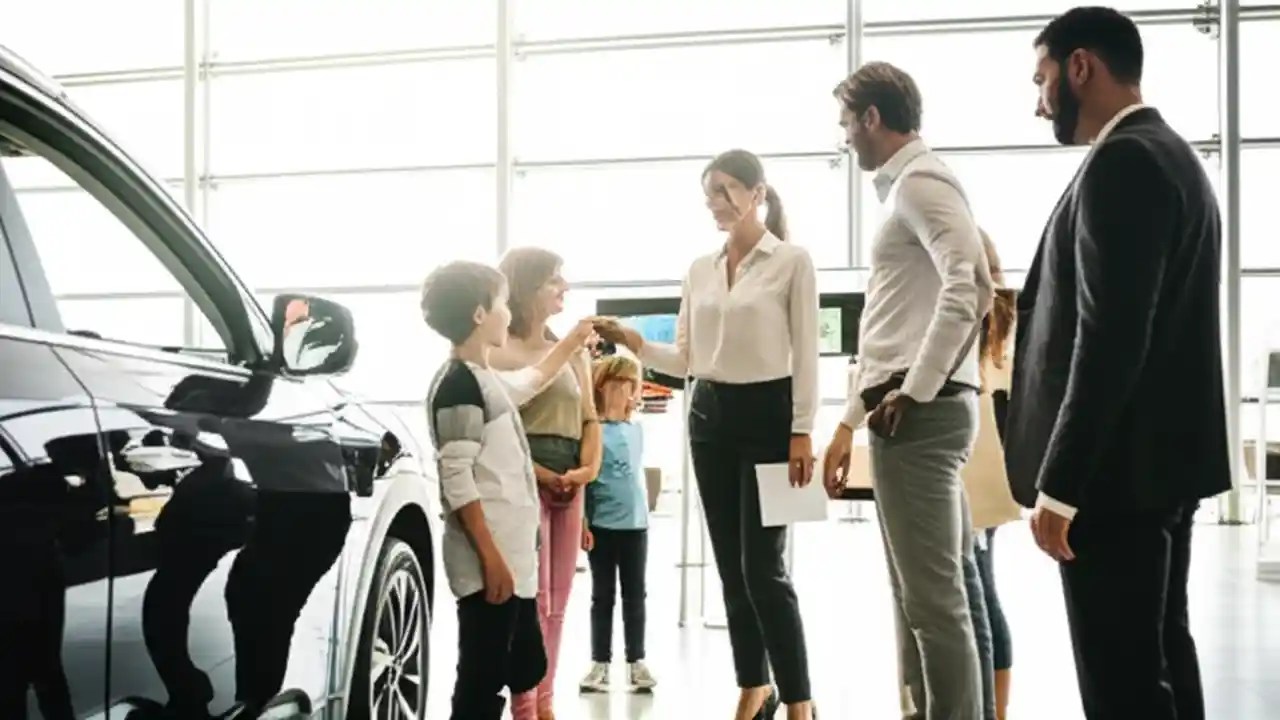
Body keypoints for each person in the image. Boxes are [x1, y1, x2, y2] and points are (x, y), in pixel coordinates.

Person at [1005, 8, 1230, 719]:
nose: (1039, 100)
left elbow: (1108, 339)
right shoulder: (1174, 154)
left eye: (1042, 78)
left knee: (1121, 682)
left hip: (1114, 480)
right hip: (1158, 468)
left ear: (1080, 67)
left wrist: (1060, 486)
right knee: (1161, 654)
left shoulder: (1124, 162)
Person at [596, 148, 819, 720]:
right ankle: (754, 685)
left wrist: (802, 431)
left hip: (772, 417)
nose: (715, 202)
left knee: (763, 567)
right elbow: (689, 359)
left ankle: (799, 698)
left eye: (725, 190)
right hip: (710, 416)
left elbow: (807, 356)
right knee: (730, 564)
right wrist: (635, 343)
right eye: (709, 193)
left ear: (757, 193)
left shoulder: (792, 261)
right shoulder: (698, 269)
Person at [821, 61, 993, 720]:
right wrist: (849, 422)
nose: (843, 139)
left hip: (923, 415)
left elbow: (970, 285)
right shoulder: (908, 190)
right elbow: (893, 325)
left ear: (871, 118)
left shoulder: (921, 184)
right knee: (920, 596)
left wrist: (917, 390)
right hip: (908, 413)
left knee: (932, 603)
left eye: (845, 123)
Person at [419, 260, 595, 720]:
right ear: (480, 314)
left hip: (514, 563)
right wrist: (490, 558)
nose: (507, 314)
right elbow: (455, 478)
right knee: (481, 680)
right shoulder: (458, 386)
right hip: (490, 566)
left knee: (525, 664)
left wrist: (573, 343)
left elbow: (531, 380)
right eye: (500, 304)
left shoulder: (482, 378)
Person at [493, 247, 602, 720]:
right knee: (530, 600)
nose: (564, 288)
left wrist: (587, 471)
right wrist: (541, 474)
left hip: (570, 482)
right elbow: (500, 423)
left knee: (558, 602)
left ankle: (547, 699)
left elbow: (591, 419)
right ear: (526, 288)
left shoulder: (573, 351)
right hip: (524, 480)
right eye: (553, 280)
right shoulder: (501, 351)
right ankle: (524, 704)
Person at [962, 229, 1022, 720]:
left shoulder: (992, 317)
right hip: (986, 473)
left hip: (975, 474)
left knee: (978, 591)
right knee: (979, 587)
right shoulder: (1008, 316)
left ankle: (994, 711)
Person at [577, 354, 657, 695]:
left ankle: (636, 661)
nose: (627, 392)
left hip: (636, 527)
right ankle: (600, 663)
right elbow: (586, 482)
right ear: (605, 387)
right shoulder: (592, 431)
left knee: (635, 595)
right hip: (603, 527)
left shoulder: (637, 430)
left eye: (631, 386)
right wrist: (583, 522)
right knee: (602, 596)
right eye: (621, 385)